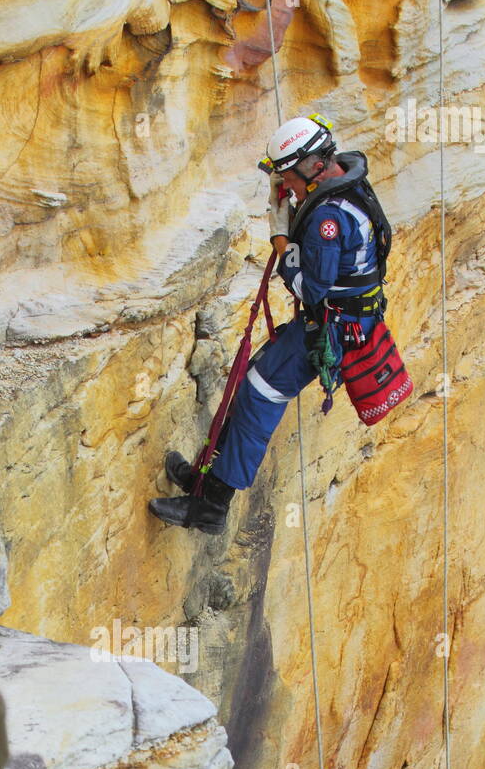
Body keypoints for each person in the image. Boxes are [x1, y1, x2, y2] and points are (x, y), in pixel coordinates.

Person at [149, 114, 392, 535]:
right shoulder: (348, 184)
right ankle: (205, 480)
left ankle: (210, 508)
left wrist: (282, 241)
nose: (286, 187)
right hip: (343, 321)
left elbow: (309, 288)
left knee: (259, 398)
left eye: (287, 177)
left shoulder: (327, 218)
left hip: (332, 328)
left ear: (313, 165)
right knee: (250, 386)